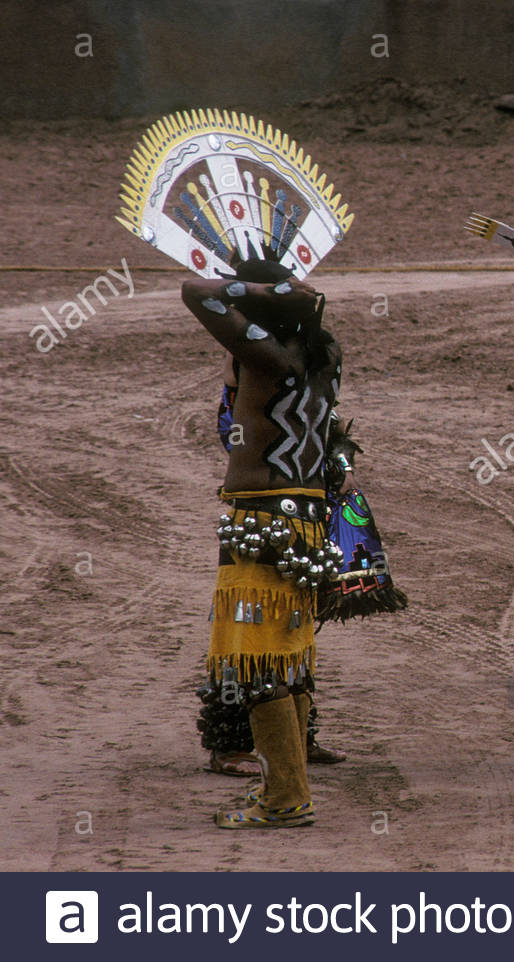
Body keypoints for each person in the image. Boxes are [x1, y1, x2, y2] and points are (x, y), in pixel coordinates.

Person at [182, 258, 341, 827]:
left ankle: (286, 798)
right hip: (305, 520)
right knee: (286, 659)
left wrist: (260, 290)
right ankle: (286, 788)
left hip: (262, 521)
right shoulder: (324, 353)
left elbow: (195, 292)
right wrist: (285, 297)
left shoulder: (266, 354)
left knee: (255, 662)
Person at [197, 355, 349, 776]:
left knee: (292, 632)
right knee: (245, 633)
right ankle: (231, 744)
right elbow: (236, 436)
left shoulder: (311, 361)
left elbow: (327, 429)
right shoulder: (255, 368)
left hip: (301, 519)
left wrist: (341, 466)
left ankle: (295, 739)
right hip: (260, 520)